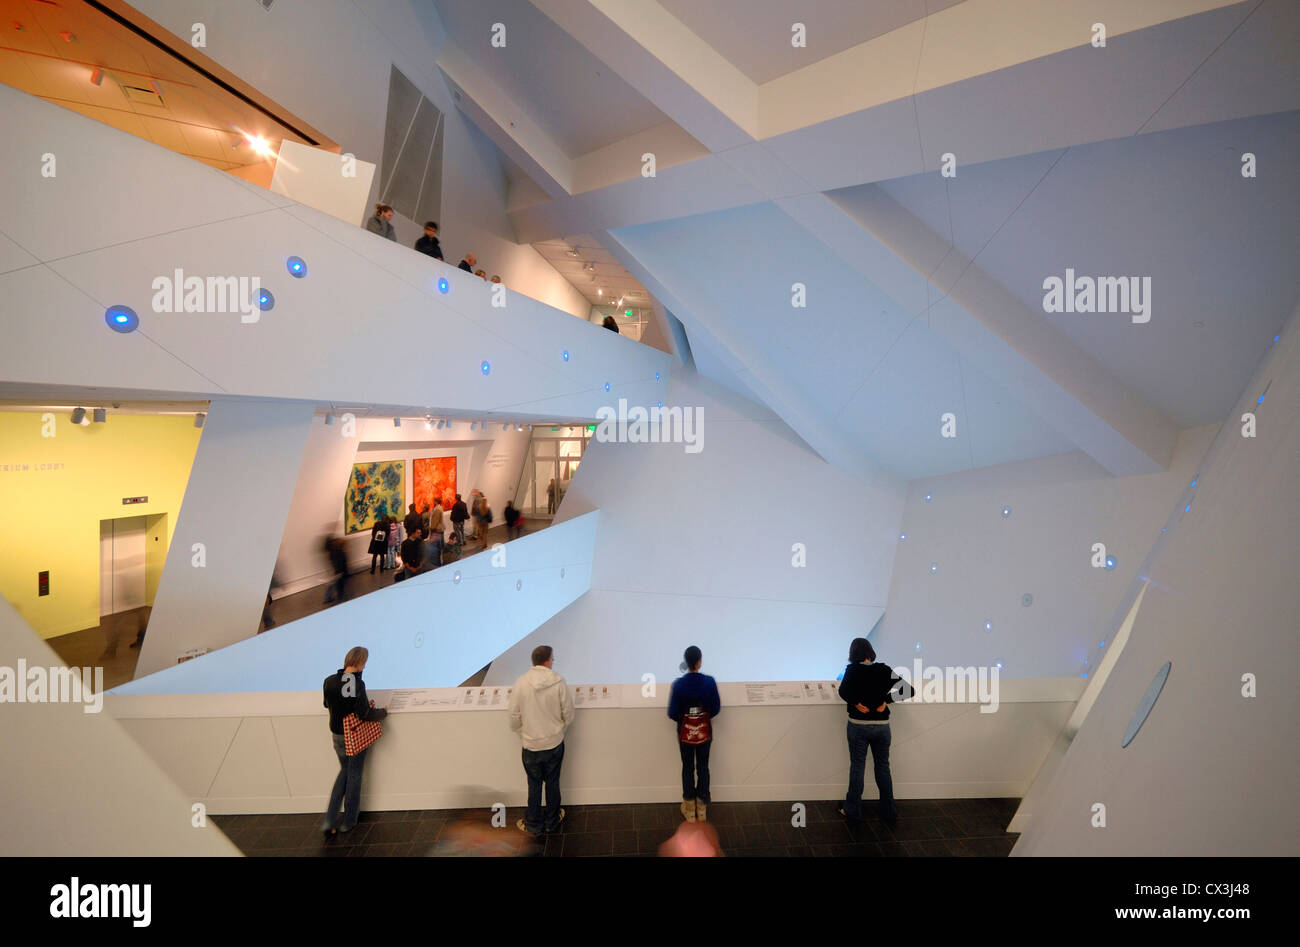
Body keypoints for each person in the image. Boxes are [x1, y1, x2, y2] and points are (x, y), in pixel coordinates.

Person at [837, 637, 910, 824]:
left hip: (857, 726)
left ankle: (852, 810)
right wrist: (886, 701)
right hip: (882, 727)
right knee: (883, 768)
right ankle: (888, 811)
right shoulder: (884, 669)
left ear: (853, 653)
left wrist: (855, 702)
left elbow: (842, 692)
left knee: (857, 767)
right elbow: (908, 690)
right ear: (870, 652)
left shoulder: (852, 670)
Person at [508, 645, 574, 836]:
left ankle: (534, 825)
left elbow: (513, 717)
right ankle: (552, 821)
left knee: (534, 785)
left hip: (530, 746)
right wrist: (559, 729)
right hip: (554, 744)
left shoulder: (521, 683)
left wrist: (523, 733)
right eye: (553, 658)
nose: (554, 661)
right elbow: (568, 713)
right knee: (553, 782)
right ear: (546, 661)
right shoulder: (558, 682)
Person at [321, 646, 388, 835]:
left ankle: (330, 818)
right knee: (354, 775)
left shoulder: (329, 681)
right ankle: (349, 820)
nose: (365, 666)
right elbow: (364, 713)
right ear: (360, 663)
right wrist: (384, 712)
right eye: (364, 663)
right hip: (353, 736)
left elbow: (326, 704)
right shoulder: (356, 684)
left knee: (344, 772)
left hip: (336, 735)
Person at [668, 646, 721, 823]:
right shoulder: (710, 682)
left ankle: (690, 810)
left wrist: (688, 720)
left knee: (688, 767)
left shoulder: (678, 685)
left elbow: (672, 712)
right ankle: (702, 808)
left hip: (684, 735)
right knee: (703, 767)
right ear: (699, 661)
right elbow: (716, 708)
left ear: (686, 662)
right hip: (705, 733)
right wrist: (701, 719)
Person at [323, 535, 349, 604]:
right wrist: (340, 573)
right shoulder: (340, 553)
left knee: (332, 585)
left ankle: (327, 598)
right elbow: (341, 564)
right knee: (339, 587)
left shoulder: (332, 552)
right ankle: (339, 601)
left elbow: (333, 561)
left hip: (335, 571)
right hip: (339, 573)